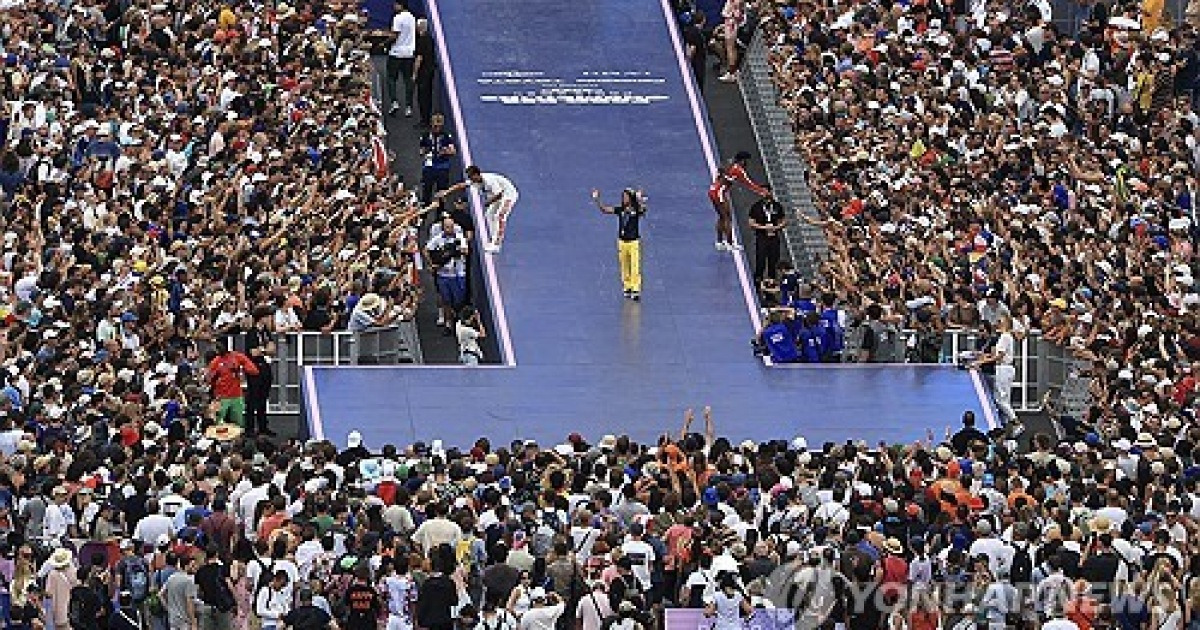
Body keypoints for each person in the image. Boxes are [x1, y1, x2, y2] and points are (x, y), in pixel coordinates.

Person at [441, 166, 519, 254]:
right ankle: (493, 239)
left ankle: (497, 245)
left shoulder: (489, 181)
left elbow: (499, 194)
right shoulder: (475, 180)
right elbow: (460, 185)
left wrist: (488, 202)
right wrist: (446, 192)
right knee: (489, 215)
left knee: (500, 216)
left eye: (471, 177)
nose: (470, 179)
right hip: (497, 196)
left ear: (477, 174)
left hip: (508, 195)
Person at [592, 188, 648, 300]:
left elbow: (643, 209)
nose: (623, 199)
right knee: (624, 266)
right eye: (623, 197)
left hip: (633, 243)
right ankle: (627, 287)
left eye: (626, 197)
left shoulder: (636, 210)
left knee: (635, 266)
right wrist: (597, 200)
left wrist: (639, 200)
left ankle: (635, 289)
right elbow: (604, 210)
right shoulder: (620, 210)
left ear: (631, 198)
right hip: (622, 243)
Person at [708, 152, 766, 251]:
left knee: (722, 216)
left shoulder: (728, 164)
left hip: (714, 190)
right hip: (719, 193)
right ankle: (730, 243)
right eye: (746, 161)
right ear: (742, 161)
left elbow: (719, 173)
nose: (747, 163)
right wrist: (762, 192)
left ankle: (719, 242)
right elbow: (749, 184)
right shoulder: (739, 170)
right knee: (727, 218)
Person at [426, 216, 471, 333]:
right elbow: (426, 250)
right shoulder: (437, 239)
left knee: (459, 300)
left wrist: (454, 251)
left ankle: (458, 319)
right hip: (443, 275)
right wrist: (433, 264)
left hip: (458, 274)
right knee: (446, 300)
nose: (450, 229)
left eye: (451, 227)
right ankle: (448, 324)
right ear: (443, 227)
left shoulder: (460, 237)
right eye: (447, 227)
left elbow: (466, 251)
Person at [207, 346, 260, 429]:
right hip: (221, 397)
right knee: (218, 423)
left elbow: (254, 371)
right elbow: (209, 379)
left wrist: (241, 369)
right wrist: (215, 376)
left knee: (238, 424)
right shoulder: (215, 362)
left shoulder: (237, 357)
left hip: (236, 396)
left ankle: (238, 436)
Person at [244, 307, 277, 437]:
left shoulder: (266, 332)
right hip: (254, 368)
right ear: (261, 318)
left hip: (265, 367)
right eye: (268, 317)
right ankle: (250, 428)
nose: (270, 319)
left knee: (263, 398)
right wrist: (264, 350)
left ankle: (263, 426)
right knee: (253, 399)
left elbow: (272, 349)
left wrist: (263, 350)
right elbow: (253, 352)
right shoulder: (252, 333)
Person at [747, 186, 787, 284]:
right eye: (762, 191)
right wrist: (764, 227)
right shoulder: (756, 206)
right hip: (762, 237)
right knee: (760, 260)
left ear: (770, 192)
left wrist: (776, 227)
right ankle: (758, 280)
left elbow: (784, 221)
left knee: (773, 260)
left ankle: (771, 282)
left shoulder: (777, 206)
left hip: (774, 237)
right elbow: (751, 223)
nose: (763, 193)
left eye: (766, 191)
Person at [387, 1, 417, 117]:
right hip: (409, 53)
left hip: (396, 53)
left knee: (391, 78)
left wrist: (384, 44)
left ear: (401, 5)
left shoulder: (398, 18)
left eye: (395, 4)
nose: (394, 6)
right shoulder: (412, 17)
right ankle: (408, 107)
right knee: (408, 79)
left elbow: (395, 35)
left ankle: (394, 102)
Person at [419, 114, 457, 203]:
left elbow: (453, 151)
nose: (437, 128)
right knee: (426, 190)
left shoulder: (446, 136)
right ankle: (425, 208)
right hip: (429, 167)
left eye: (440, 126)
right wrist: (425, 152)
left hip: (442, 167)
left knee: (442, 191)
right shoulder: (425, 136)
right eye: (435, 126)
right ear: (431, 124)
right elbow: (421, 150)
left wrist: (445, 151)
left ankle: (441, 210)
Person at [413, 19, 438, 128]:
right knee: (428, 95)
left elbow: (419, 58)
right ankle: (427, 118)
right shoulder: (430, 39)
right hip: (430, 71)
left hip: (423, 72)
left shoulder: (421, 41)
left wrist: (414, 73)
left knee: (422, 97)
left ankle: (424, 120)